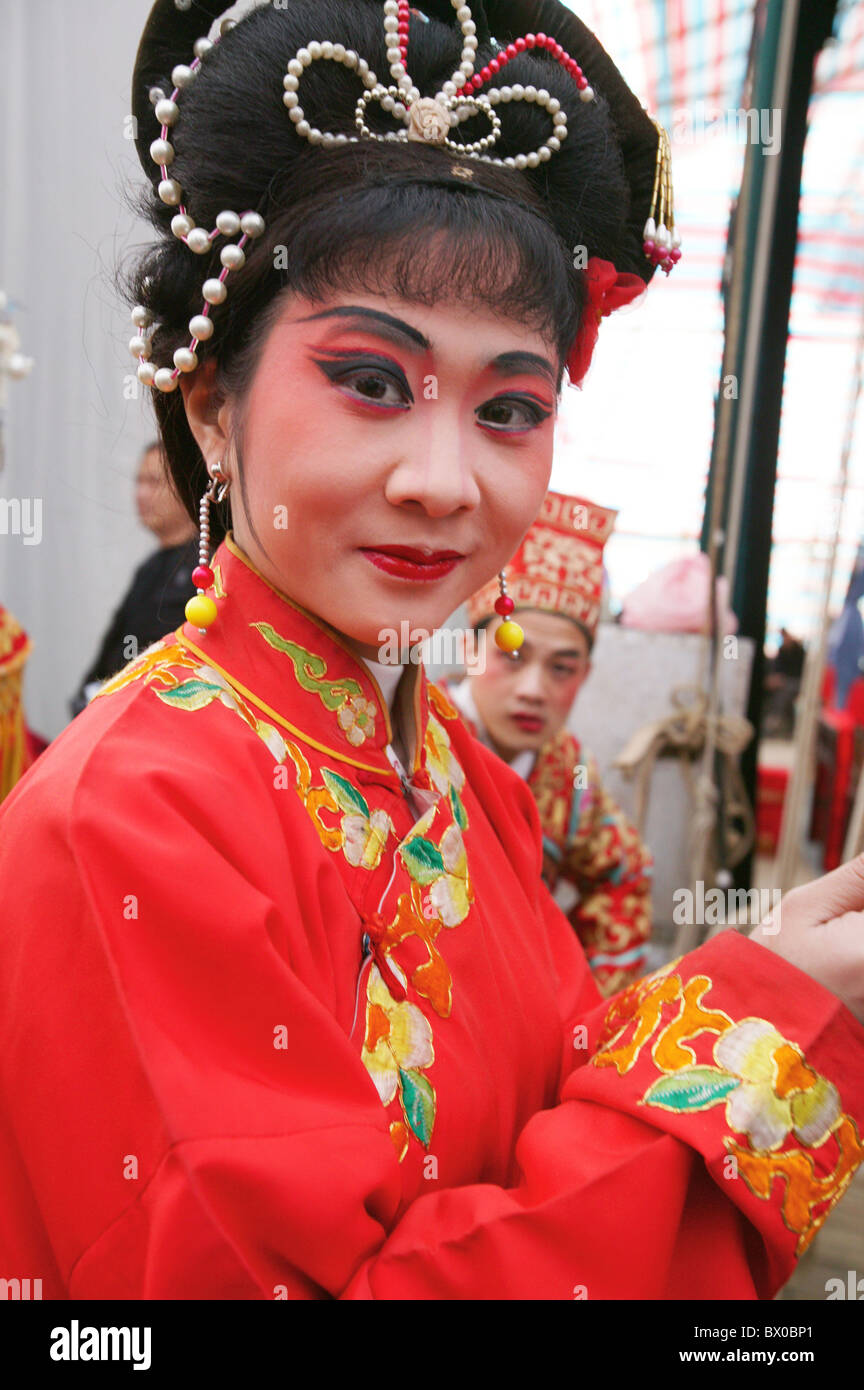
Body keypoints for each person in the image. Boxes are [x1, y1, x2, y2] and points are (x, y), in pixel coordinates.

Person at [0, 0, 862, 1301]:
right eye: (368, 379)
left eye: (510, 406)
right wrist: (756, 1041)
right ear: (212, 403)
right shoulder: (132, 817)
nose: (445, 479)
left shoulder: (449, 761)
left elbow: (551, 1087)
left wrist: (763, 973)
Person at [441, 489, 653, 995]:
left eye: (561, 668)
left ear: (585, 674)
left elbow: (623, 876)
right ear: (470, 649)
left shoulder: (568, 767)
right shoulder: (415, 734)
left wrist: (588, 1004)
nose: (534, 690)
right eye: (512, 656)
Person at [69, 441, 198, 717]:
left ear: (186, 486)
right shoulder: (150, 568)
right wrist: (86, 697)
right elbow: (113, 649)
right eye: (138, 481)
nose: (141, 494)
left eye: (154, 482)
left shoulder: (203, 570)